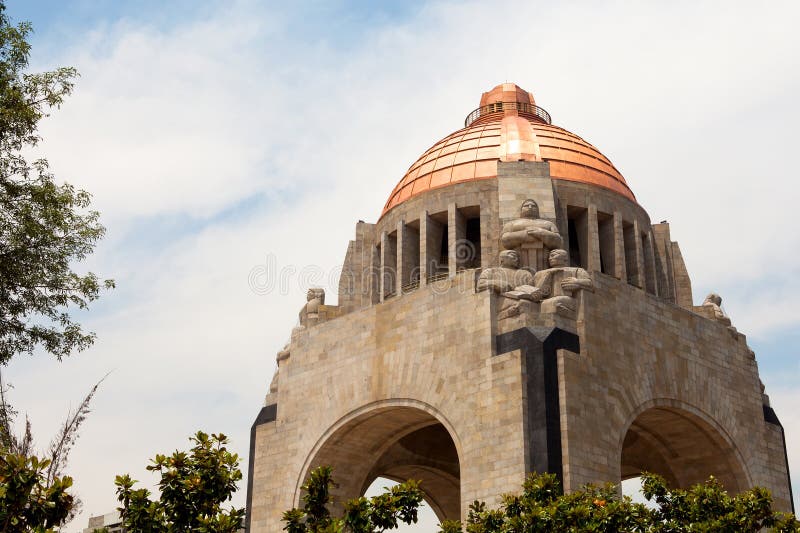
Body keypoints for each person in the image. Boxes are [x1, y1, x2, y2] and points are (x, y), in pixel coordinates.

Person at [501, 199, 563, 271]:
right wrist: (525, 234)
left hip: (545, 263)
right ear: (521, 209)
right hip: (518, 263)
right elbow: (505, 240)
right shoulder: (511, 224)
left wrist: (541, 233)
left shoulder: (548, 224)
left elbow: (558, 242)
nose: (530, 207)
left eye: (533, 206)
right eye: (526, 206)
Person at [533, 249, 593, 318]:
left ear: (565, 258)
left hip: (566, 299)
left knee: (553, 302)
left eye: (553, 255)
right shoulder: (539, 274)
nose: (550, 258)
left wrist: (577, 282)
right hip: (541, 299)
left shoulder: (577, 270)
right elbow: (532, 288)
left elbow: (590, 283)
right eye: (549, 256)